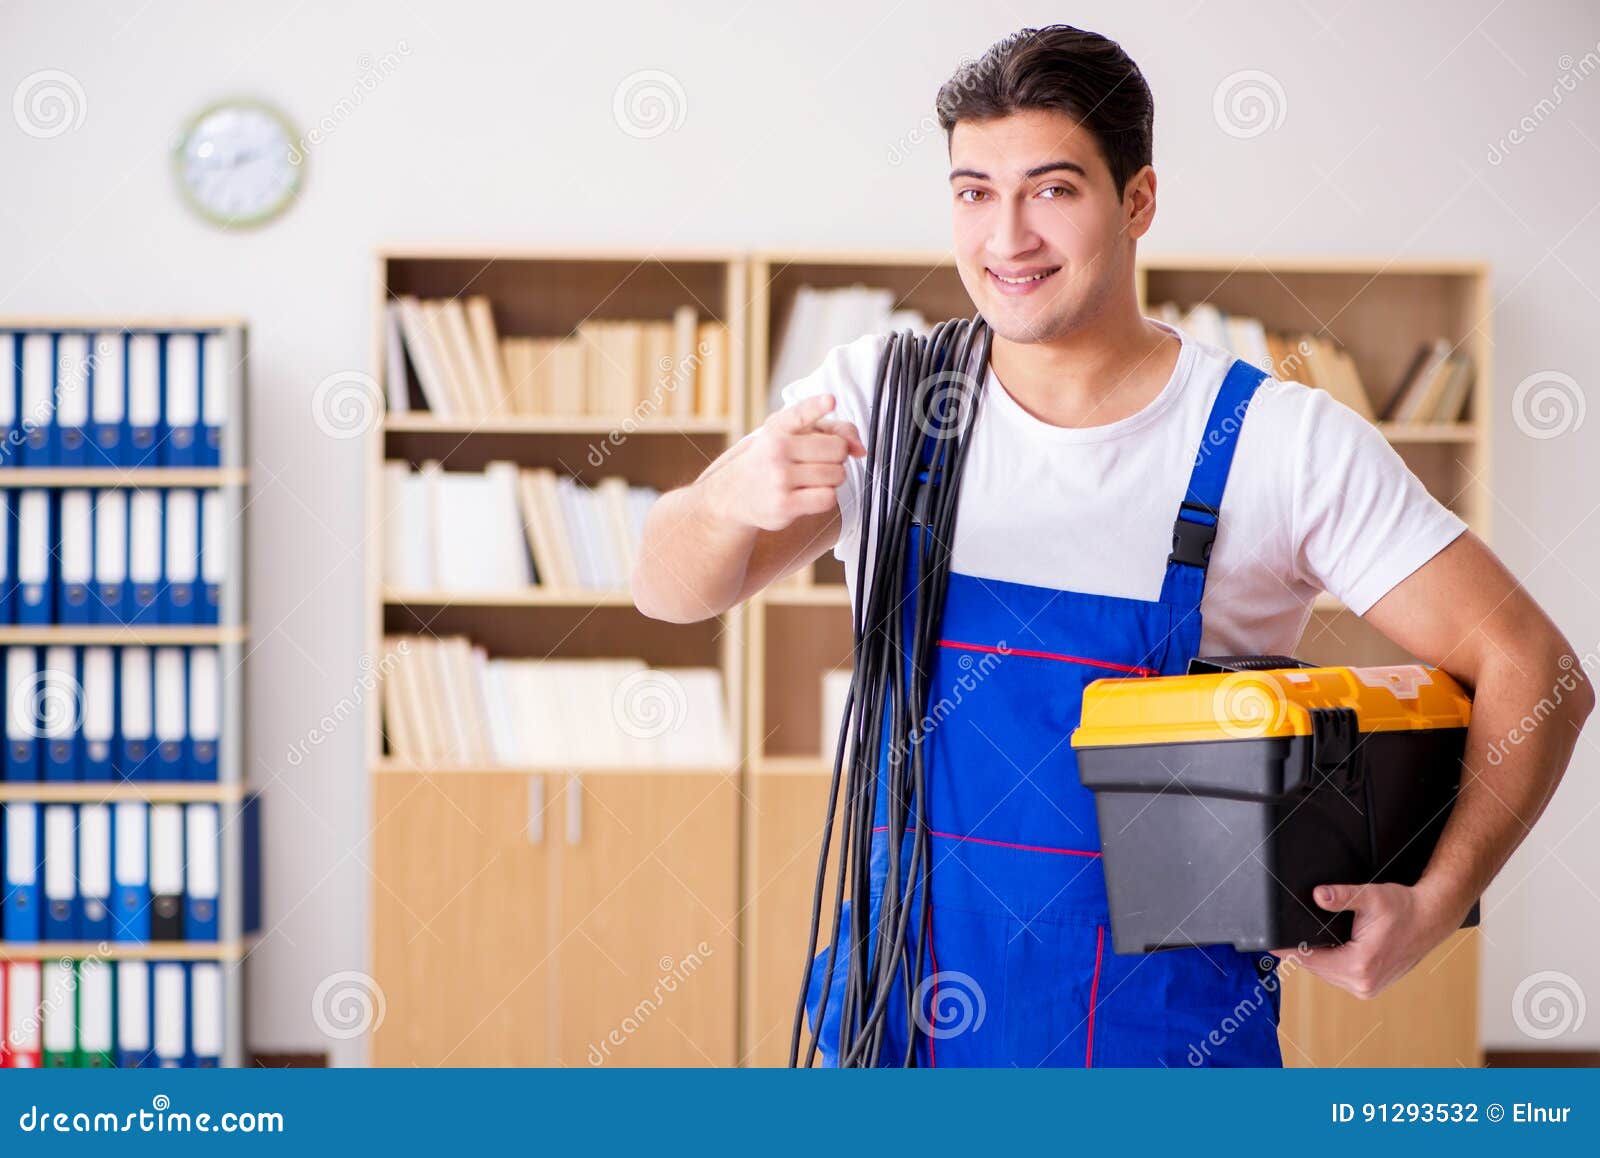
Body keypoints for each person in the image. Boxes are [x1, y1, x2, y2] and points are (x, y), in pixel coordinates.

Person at [630, 24, 1592, 1066]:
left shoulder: (1278, 443)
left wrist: (1437, 902)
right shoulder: (890, 402)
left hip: (1162, 1050)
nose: (1006, 238)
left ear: (1136, 200)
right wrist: (728, 496)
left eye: (1051, 190)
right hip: (896, 1034)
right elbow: (669, 592)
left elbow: (1536, 670)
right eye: (972, 192)